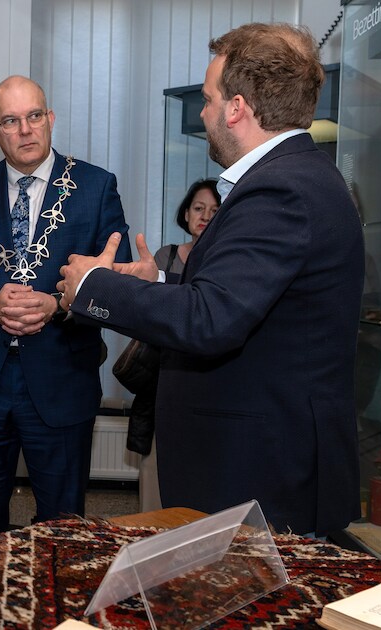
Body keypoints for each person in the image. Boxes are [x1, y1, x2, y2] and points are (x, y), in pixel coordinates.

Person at [59, 23, 364, 537]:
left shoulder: (279, 190)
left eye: (207, 99)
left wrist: (94, 287)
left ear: (237, 108)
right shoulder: (294, 177)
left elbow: (211, 320)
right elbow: (243, 303)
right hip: (258, 462)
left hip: (260, 474)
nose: (202, 113)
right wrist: (155, 282)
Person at [0, 75, 131, 552]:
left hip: (62, 378)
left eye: (34, 116)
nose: (25, 130)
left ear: (51, 120)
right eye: (11, 121)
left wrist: (60, 304)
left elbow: (116, 284)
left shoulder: (96, 187)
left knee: (62, 532)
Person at [135, 178, 219, 512]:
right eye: (199, 208)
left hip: (210, 380)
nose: (205, 216)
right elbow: (148, 313)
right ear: (185, 213)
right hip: (163, 375)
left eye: (215, 211)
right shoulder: (166, 256)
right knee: (157, 475)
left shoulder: (227, 260)